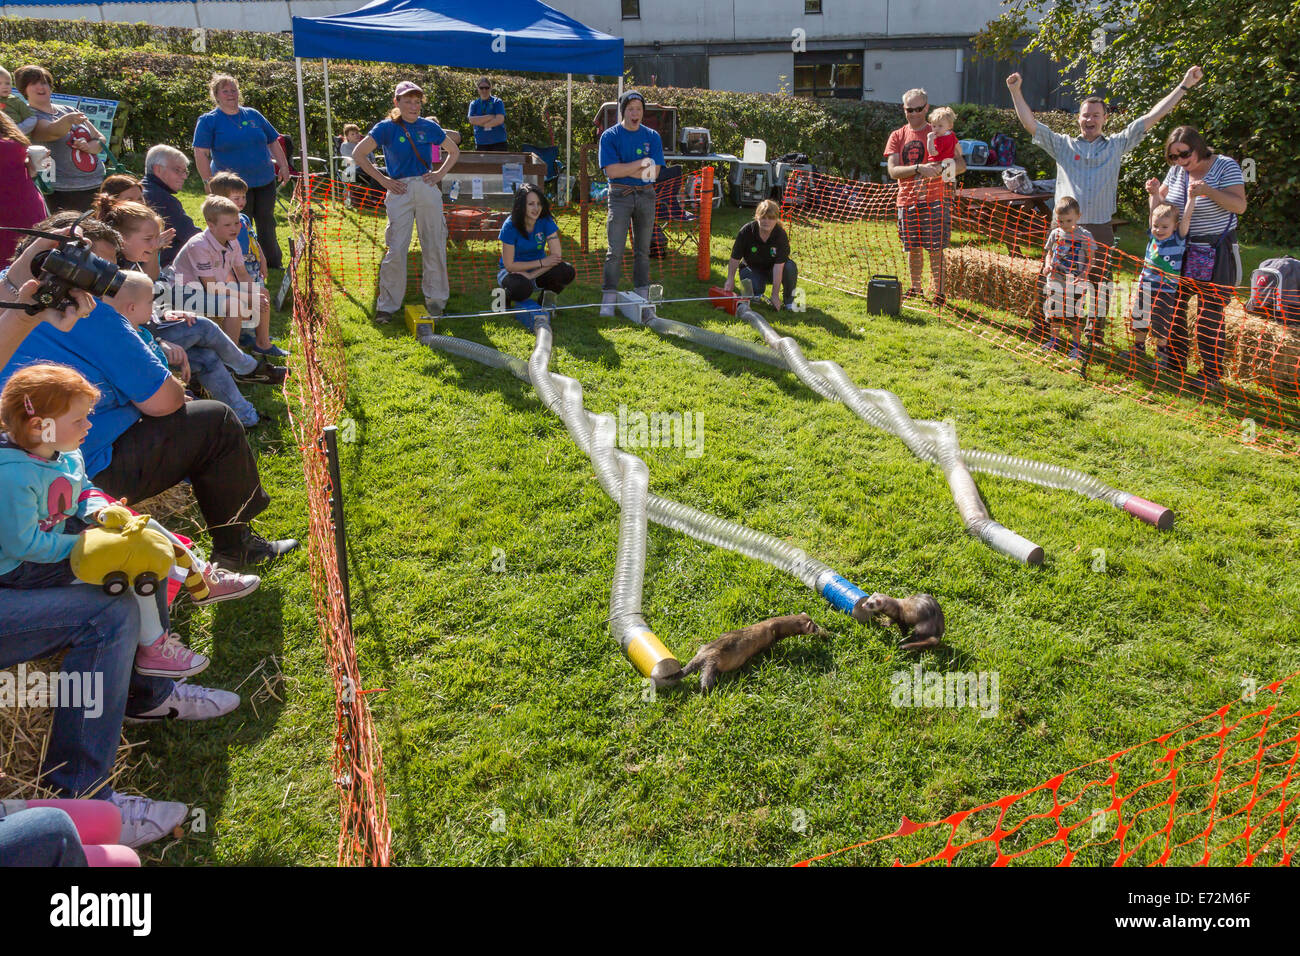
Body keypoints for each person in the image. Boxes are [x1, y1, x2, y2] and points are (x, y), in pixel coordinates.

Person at [1, 213, 298, 569]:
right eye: (100, 267)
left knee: (197, 356)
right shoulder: (92, 311)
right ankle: (237, 544)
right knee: (213, 420)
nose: (111, 282)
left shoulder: (13, 293)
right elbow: (164, 402)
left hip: (23, 470)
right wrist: (140, 395)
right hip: (75, 471)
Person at [0, 360, 217, 679]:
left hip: (54, 535)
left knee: (140, 529)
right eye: (78, 420)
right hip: (22, 567)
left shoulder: (64, 451)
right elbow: (24, 545)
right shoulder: (12, 477)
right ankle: (153, 646)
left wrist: (100, 510)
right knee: (128, 560)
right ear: (38, 427)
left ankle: (196, 572)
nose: (88, 425)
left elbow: (81, 488)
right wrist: (88, 544)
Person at [1005, 65, 1204, 341]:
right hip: (1064, 228)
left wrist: (1183, 85)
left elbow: (1153, 116)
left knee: (1100, 285)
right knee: (1053, 278)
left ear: (1105, 119)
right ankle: (1047, 329)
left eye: (1096, 115)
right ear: (1078, 118)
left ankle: (1093, 333)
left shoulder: (1117, 145)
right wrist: (1015, 91)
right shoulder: (1063, 145)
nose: (1090, 119)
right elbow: (1030, 124)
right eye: (1086, 115)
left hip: (1099, 227)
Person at [351, 80, 459, 323]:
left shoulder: (428, 126)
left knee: (434, 245)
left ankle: (436, 303)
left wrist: (440, 174)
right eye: (408, 101)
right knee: (396, 248)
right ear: (396, 102)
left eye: (417, 101)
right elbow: (358, 153)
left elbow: (454, 151)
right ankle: (387, 307)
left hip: (427, 187)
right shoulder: (385, 128)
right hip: (399, 190)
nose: (413, 106)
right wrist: (384, 181)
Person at [1151, 126, 1247, 392]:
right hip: (1180, 248)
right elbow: (1165, 203)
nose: (1180, 161)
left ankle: (1211, 373)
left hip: (1215, 249)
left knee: (1210, 313)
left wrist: (1208, 191)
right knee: (1174, 305)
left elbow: (1239, 206)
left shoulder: (1225, 166)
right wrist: (1156, 193)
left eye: (1184, 154)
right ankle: (1175, 361)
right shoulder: (1178, 171)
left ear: (1198, 147)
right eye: (1173, 157)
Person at [192, 74, 290, 271]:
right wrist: (207, 181)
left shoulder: (253, 115)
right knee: (236, 224)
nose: (231, 94)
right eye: (225, 91)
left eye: (234, 90)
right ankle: (237, 264)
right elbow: (200, 153)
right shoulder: (209, 121)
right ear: (216, 96)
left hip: (263, 179)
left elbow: (273, 141)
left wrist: (284, 166)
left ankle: (272, 262)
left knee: (266, 220)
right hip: (230, 187)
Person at [885, 88, 967, 303]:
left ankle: (939, 293)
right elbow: (893, 171)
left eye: (918, 109)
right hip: (907, 200)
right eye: (909, 109)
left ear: (927, 108)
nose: (914, 113)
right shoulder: (897, 135)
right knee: (913, 248)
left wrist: (941, 169)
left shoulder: (941, 129)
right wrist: (919, 168)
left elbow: (961, 165)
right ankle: (915, 288)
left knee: (936, 249)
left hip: (936, 199)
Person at [171, 195, 279, 357]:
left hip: (212, 289)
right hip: (186, 294)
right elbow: (211, 287)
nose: (234, 228)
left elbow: (242, 274)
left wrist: (254, 293)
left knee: (262, 293)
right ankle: (231, 359)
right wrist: (247, 298)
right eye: (227, 225)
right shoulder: (198, 245)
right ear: (211, 225)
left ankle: (262, 344)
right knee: (234, 305)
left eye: (236, 223)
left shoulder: (232, 241)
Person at [598, 90, 664, 317]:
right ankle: (608, 297)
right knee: (614, 250)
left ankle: (642, 295)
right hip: (619, 196)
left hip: (646, 196)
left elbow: (652, 173)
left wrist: (628, 168)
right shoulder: (609, 136)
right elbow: (612, 171)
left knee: (643, 250)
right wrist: (640, 163)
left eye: (639, 109)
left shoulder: (653, 136)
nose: (635, 114)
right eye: (631, 109)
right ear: (623, 111)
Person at [12, 64, 106, 214]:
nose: (40, 87)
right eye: (33, 83)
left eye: (44, 82)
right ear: (24, 90)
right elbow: (52, 132)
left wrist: (91, 146)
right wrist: (68, 120)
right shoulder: (29, 116)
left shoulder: (68, 110)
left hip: (97, 182)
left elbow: (99, 137)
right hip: (63, 190)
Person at [1133, 186, 1194, 371]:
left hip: (1165, 290)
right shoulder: (1153, 237)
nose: (1159, 230)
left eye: (1164, 227)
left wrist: (1191, 198)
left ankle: (1161, 356)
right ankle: (1138, 348)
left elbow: (1187, 218)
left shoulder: (1178, 238)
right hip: (1146, 285)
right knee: (1139, 318)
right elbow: (1153, 212)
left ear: (1175, 226)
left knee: (1161, 323)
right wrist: (1153, 194)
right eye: (1156, 226)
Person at [497, 183, 575, 311]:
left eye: (539, 203)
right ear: (521, 206)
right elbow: (509, 265)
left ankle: (545, 301)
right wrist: (541, 262)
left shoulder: (546, 221)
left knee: (566, 271)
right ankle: (504, 295)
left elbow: (557, 257)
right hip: (513, 272)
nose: (536, 208)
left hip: (539, 270)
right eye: (531, 204)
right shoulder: (510, 226)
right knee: (522, 288)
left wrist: (532, 275)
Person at [1038, 196, 1095, 359]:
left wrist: (1084, 274)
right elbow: (1049, 253)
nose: (1065, 225)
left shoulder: (1085, 236)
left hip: (1075, 284)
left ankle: (1076, 347)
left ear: (1078, 216)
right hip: (1055, 281)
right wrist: (1047, 265)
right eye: (1061, 221)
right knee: (1054, 313)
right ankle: (1054, 341)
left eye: (1069, 220)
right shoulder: (1055, 233)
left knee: (1073, 317)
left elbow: (1092, 259)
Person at [723, 199, 799, 310]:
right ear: (757, 217)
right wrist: (730, 280)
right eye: (763, 217)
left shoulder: (780, 235)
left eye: (771, 218)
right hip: (751, 268)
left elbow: (779, 266)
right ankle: (756, 293)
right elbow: (735, 258)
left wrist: (775, 295)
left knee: (790, 266)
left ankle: (788, 301)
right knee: (754, 293)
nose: (766, 221)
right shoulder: (746, 231)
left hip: (772, 271)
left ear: (776, 219)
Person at [0, 109, 48, 268]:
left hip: (22, 211)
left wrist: (33, 165)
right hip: (19, 212)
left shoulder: (4, 123)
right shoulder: (9, 135)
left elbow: (26, 171)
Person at [141, 144, 200, 269]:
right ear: (158, 170)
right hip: (164, 269)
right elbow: (193, 236)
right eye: (178, 170)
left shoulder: (142, 190)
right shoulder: (161, 199)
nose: (184, 176)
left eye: (185, 171)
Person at [467, 77, 508, 152]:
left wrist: (482, 122)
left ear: (490, 88)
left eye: (486, 88)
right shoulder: (474, 104)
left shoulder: (497, 101)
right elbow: (472, 120)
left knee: (498, 164)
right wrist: (491, 116)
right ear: (478, 89)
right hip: (481, 142)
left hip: (499, 142)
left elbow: (500, 119)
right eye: (481, 88)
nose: (484, 90)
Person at [0, 66, 37, 132]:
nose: (5, 87)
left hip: (15, 135)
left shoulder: (15, 101)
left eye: (8, 83)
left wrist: (17, 129)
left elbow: (32, 118)